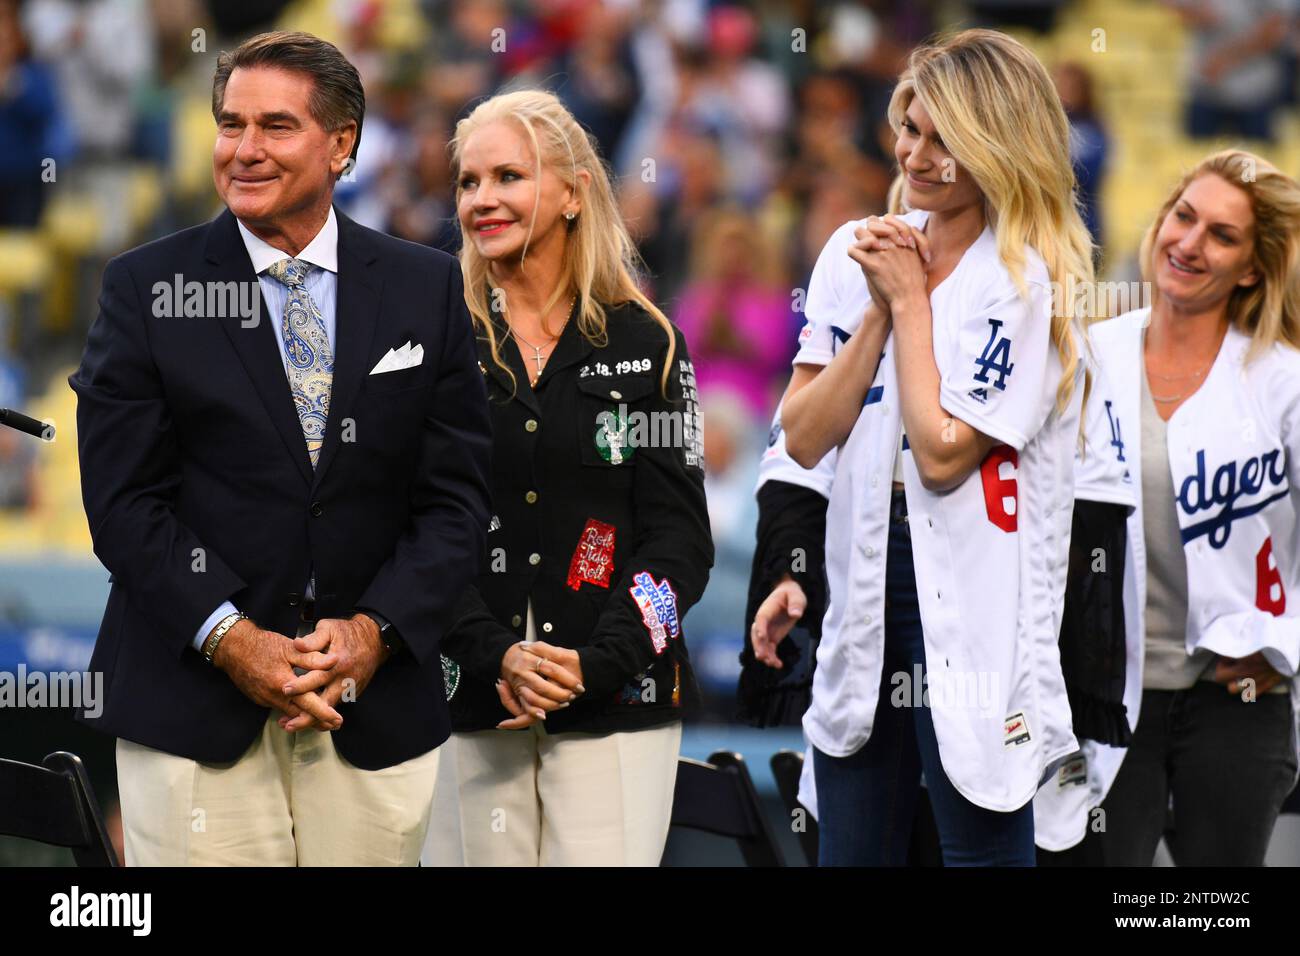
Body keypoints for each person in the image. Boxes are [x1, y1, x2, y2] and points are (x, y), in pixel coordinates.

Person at [68, 31, 492, 866]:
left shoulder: (425, 285)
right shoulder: (145, 288)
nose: (244, 151)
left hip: (371, 712)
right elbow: (124, 507)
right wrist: (232, 638)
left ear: (341, 144)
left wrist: (374, 632)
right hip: (193, 711)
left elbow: (456, 501)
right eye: (231, 125)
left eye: (275, 127)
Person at [780, 29, 1093, 866]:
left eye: (941, 136)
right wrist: (881, 310)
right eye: (909, 128)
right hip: (866, 573)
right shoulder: (861, 252)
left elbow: (945, 454)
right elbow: (804, 436)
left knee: (981, 844)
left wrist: (910, 304)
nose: (914, 154)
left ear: (996, 142)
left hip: (973, 588)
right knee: (853, 847)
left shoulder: (1030, 276)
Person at [424, 89, 713, 867]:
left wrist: (599, 662)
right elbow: (410, 530)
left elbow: (681, 542)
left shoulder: (647, 342)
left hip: (617, 698)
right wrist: (493, 655)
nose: (482, 200)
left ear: (573, 193)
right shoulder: (434, 341)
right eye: (469, 182)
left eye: (508, 177)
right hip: (465, 697)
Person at [1091, 150, 1300, 866]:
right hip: (1105, 695)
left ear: (1250, 267)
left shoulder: (1281, 380)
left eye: (1221, 234)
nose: (1188, 243)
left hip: (1235, 695)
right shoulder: (1087, 357)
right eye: (1184, 216)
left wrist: (1285, 643)